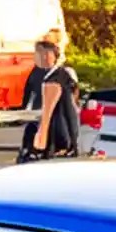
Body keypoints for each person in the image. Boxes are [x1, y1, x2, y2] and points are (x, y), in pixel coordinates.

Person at [22, 29, 80, 160]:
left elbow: (69, 109)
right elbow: (29, 92)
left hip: (53, 124)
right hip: (38, 118)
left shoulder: (63, 74)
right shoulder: (38, 72)